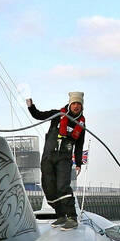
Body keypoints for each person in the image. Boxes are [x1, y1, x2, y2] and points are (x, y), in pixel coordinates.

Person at [26, 91, 86, 229]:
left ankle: (72, 217)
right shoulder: (57, 115)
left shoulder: (81, 125)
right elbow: (38, 115)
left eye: (79, 104)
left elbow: (79, 145)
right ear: (70, 104)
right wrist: (30, 105)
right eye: (74, 103)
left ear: (82, 106)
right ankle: (60, 215)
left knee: (62, 186)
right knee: (48, 187)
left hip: (64, 158)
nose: (76, 106)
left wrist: (78, 163)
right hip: (48, 157)